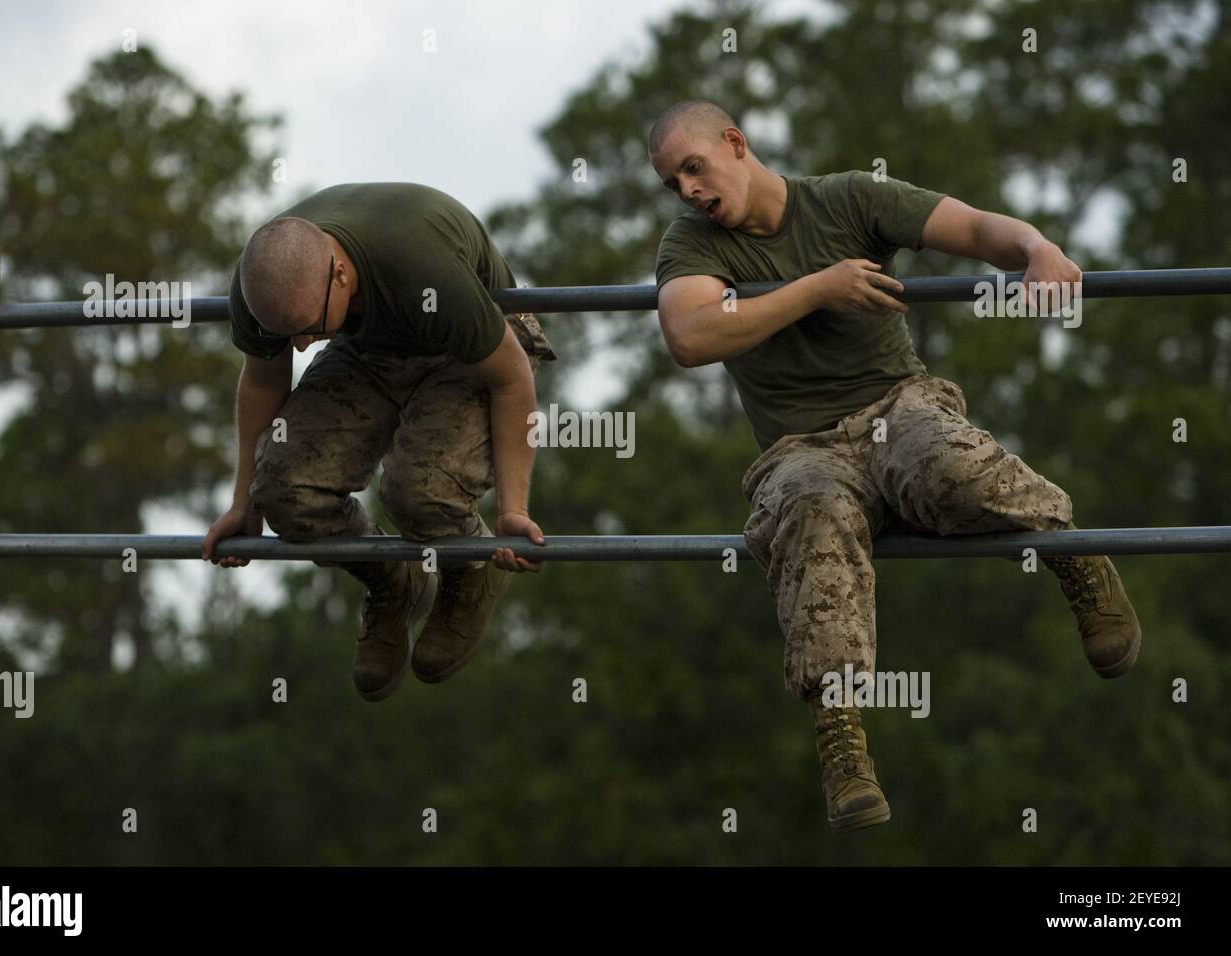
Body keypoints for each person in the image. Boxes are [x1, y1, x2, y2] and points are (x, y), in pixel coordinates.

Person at [648, 100, 1141, 832]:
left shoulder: (848, 198)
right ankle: (841, 737)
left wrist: (1034, 246)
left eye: (694, 168)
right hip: (800, 447)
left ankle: (1075, 554)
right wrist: (819, 288)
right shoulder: (691, 243)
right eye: (671, 182)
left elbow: (972, 227)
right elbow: (688, 334)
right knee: (808, 506)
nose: (688, 190)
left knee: (939, 460)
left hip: (896, 409)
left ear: (736, 143)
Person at [202, 183, 556, 701]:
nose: (301, 345)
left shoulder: (421, 265)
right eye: (289, 335)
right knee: (282, 492)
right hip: (369, 346)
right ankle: (394, 584)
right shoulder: (265, 284)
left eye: (307, 328)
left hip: (470, 345)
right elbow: (262, 379)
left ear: (340, 274)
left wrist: (512, 510)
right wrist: (242, 502)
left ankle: (470, 570)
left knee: (419, 493)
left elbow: (510, 376)